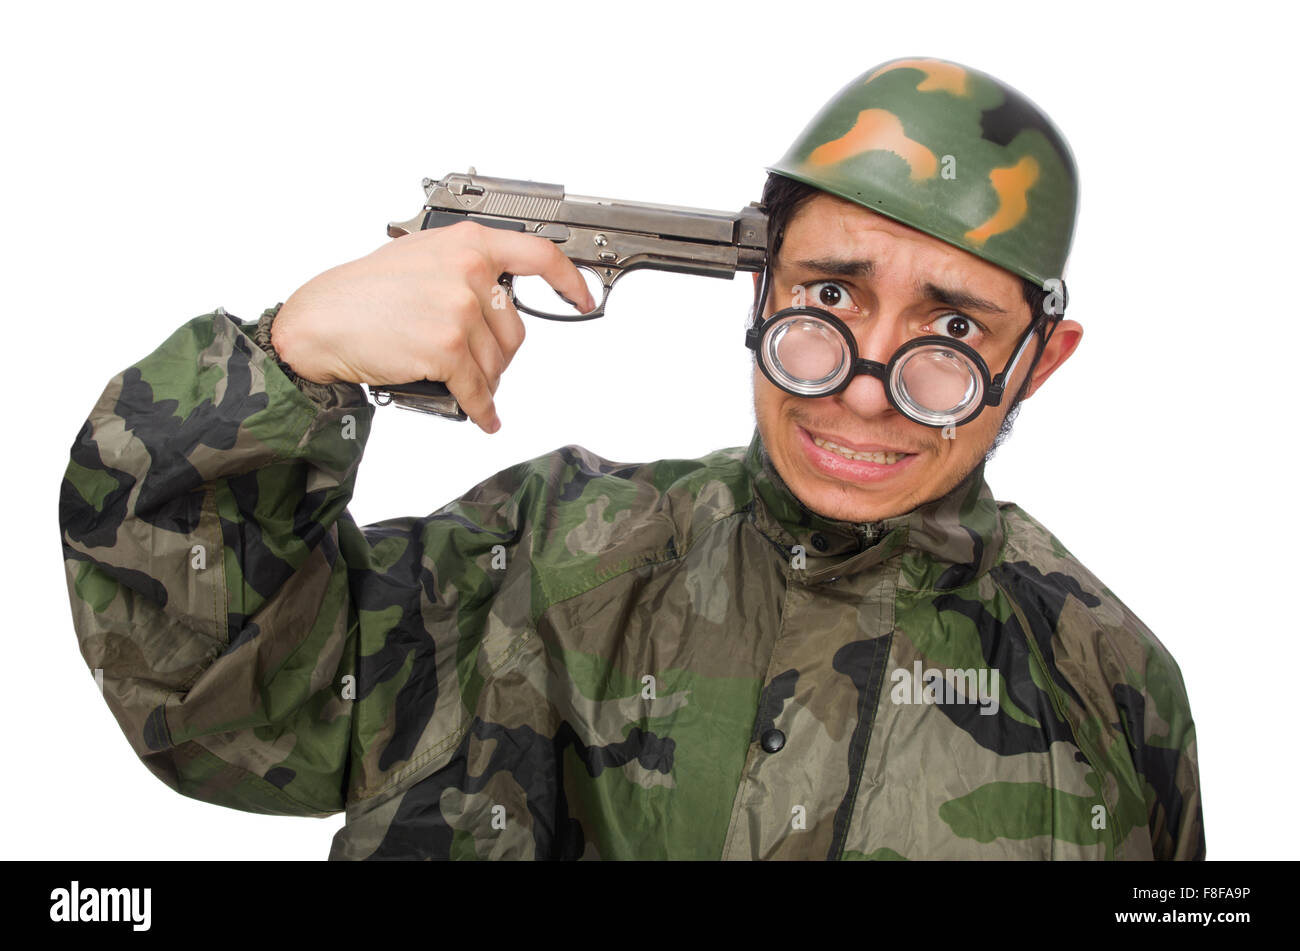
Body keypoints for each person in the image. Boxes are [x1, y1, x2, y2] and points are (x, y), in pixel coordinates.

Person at [58, 56, 1204, 860]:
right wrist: (288, 365)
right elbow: (211, 703)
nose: (861, 384)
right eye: (826, 298)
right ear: (757, 292)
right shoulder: (548, 562)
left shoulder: (1112, 685)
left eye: (950, 333)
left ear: (1038, 363)